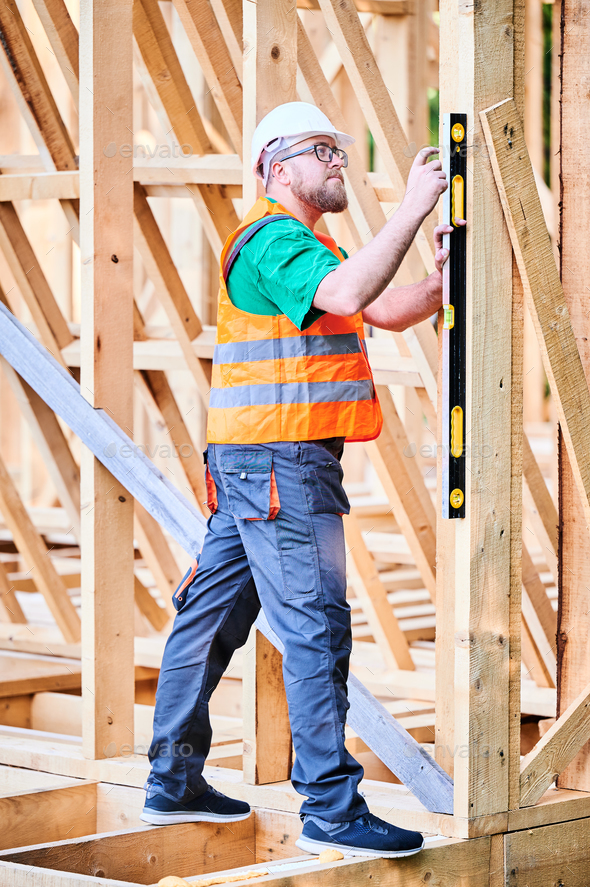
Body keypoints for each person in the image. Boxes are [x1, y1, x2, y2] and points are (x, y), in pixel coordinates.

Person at [141, 102, 463, 858]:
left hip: (259, 462)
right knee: (316, 624)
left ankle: (172, 778)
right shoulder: (274, 238)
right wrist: (415, 209)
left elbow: (379, 305)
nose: (338, 161)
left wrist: (439, 282)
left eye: (339, 150)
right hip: (279, 464)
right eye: (322, 150)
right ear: (276, 169)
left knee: (210, 614)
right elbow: (352, 294)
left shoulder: (308, 243)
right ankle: (330, 803)